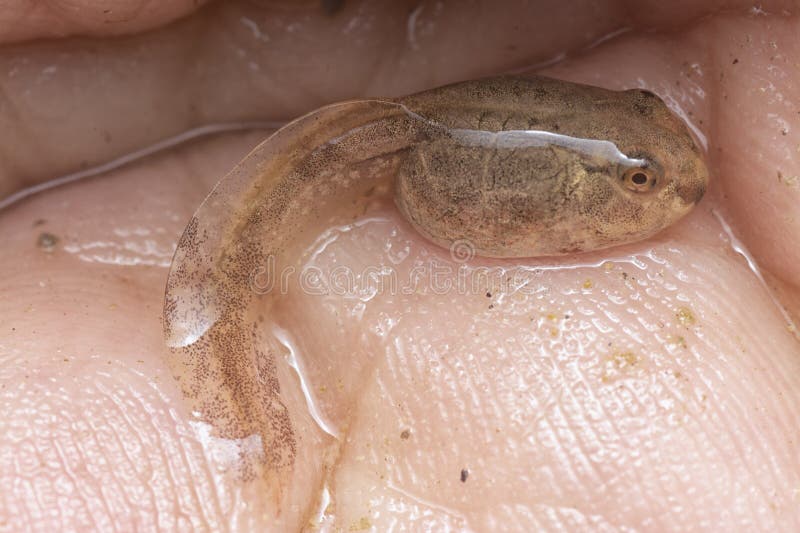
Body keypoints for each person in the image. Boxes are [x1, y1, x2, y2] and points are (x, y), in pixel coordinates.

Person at [1, 1, 798, 530]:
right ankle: (242, 412)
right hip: (404, 156)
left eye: (642, 169)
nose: (674, 187)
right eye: (640, 180)